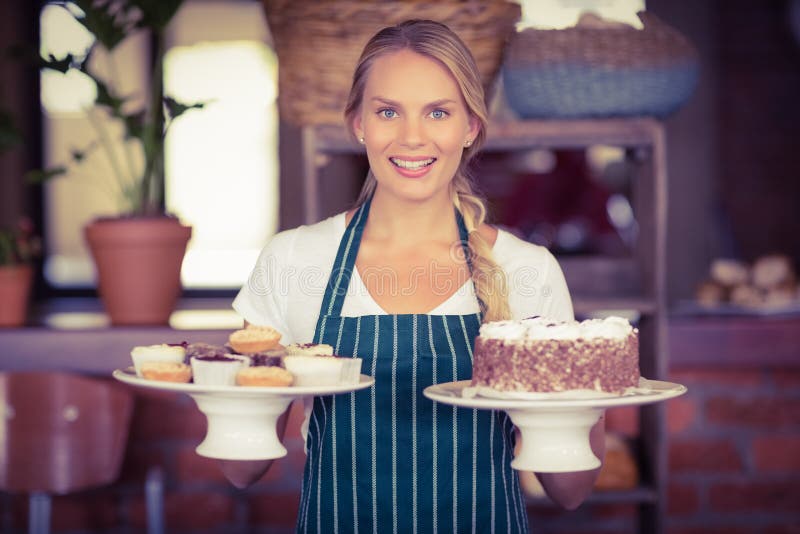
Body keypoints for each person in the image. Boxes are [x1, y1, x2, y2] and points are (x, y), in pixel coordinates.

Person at [229, 19, 605, 533]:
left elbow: (570, 490)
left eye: (438, 112)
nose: (411, 137)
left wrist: (579, 394)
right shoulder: (294, 260)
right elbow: (241, 470)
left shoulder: (526, 270)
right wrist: (233, 398)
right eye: (387, 111)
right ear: (358, 122)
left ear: (470, 126)